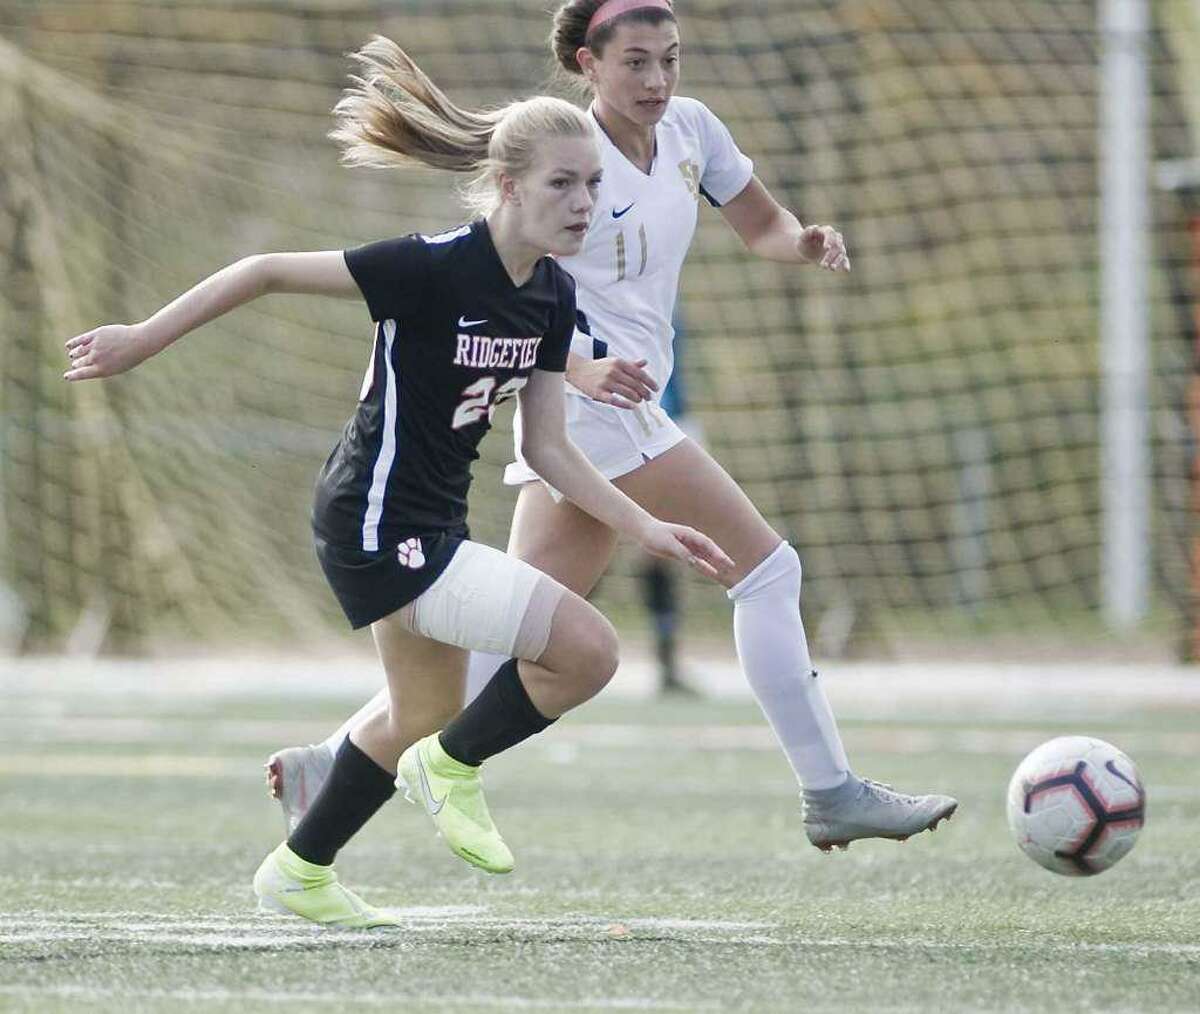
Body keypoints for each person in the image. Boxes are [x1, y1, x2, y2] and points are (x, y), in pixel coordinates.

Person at [63, 39, 734, 929]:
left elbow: (556, 454)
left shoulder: (552, 299)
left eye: (592, 185)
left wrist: (647, 530)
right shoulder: (429, 267)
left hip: (431, 523)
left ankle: (299, 870)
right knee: (589, 654)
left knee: (421, 710)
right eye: (561, 186)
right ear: (508, 188)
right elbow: (262, 271)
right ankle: (451, 769)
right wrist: (140, 338)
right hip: (374, 521)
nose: (584, 204)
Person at [268, 0, 958, 854]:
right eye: (636, 62)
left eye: (670, 58)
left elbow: (763, 228)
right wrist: (584, 364)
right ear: (587, 67)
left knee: (513, 633)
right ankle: (830, 791)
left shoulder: (693, 131)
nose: (658, 80)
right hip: (599, 413)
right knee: (769, 572)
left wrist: (805, 243)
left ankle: (330, 766)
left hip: (614, 411)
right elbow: (515, 289)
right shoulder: (567, 165)